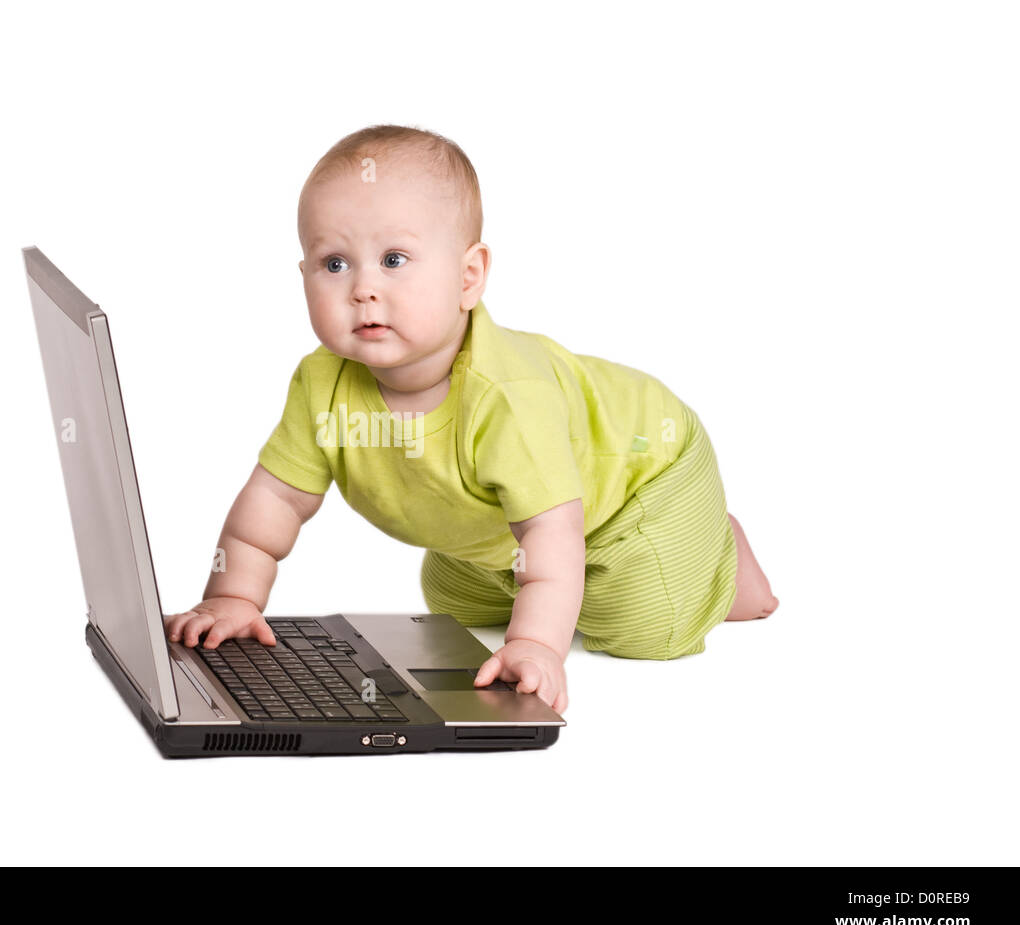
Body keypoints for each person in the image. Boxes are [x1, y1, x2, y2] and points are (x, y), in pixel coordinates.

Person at [163, 124, 779, 714]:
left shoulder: (506, 396)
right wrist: (233, 598)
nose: (362, 289)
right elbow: (273, 500)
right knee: (451, 608)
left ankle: (718, 556)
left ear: (468, 276)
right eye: (333, 264)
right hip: (492, 530)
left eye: (395, 259)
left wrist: (538, 646)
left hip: (640, 478)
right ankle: (569, 585)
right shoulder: (320, 384)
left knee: (646, 626)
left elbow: (549, 533)